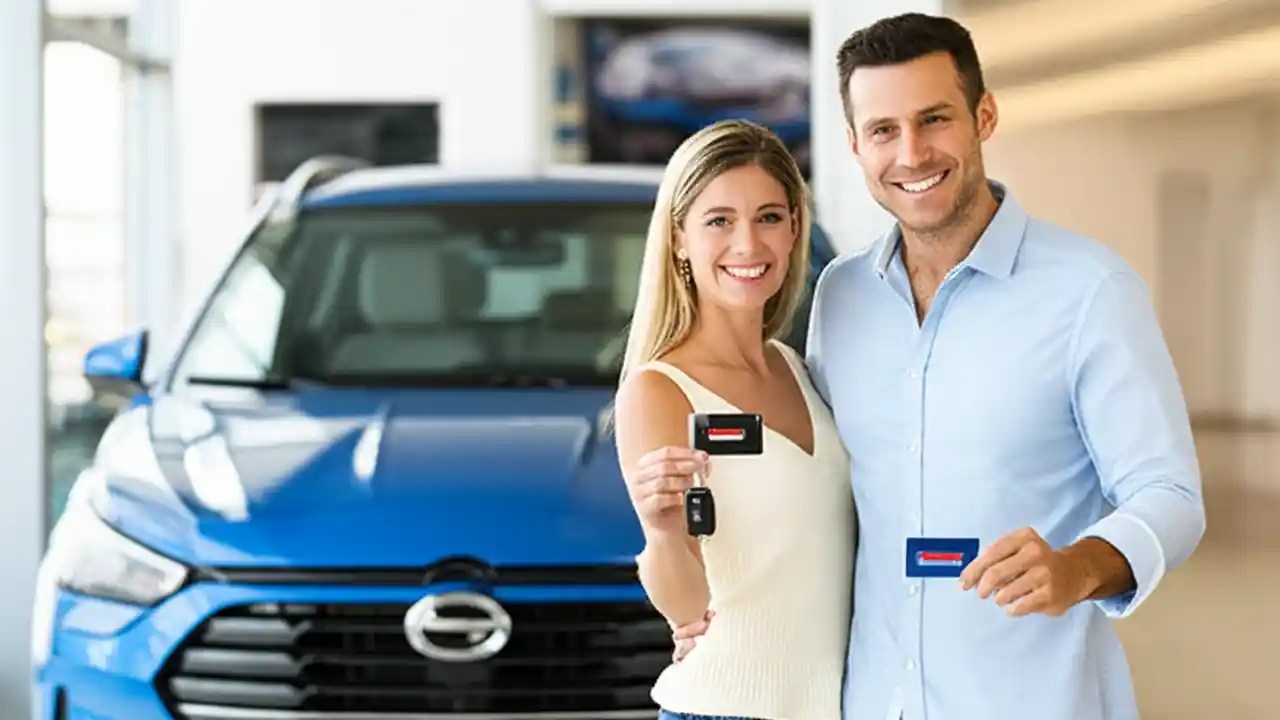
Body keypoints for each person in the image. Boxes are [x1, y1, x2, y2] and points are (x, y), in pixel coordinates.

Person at [672, 13, 1206, 720]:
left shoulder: (1089, 291)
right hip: (873, 703)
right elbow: (823, 486)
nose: (912, 153)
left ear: (984, 116)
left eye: (934, 119)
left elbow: (1170, 495)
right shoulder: (842, 295)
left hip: (1030, 700)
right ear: (855, 145)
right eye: (883, 130)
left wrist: (1079, 567)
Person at [612, 118, 856, 720]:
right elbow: (687, 609)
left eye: (768, 217)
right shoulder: (659, 390)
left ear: (794, 228)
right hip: (724, 709)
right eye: (719, 221)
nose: (748, 245)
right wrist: (661, 531)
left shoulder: (799, 368)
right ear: (679, 238)